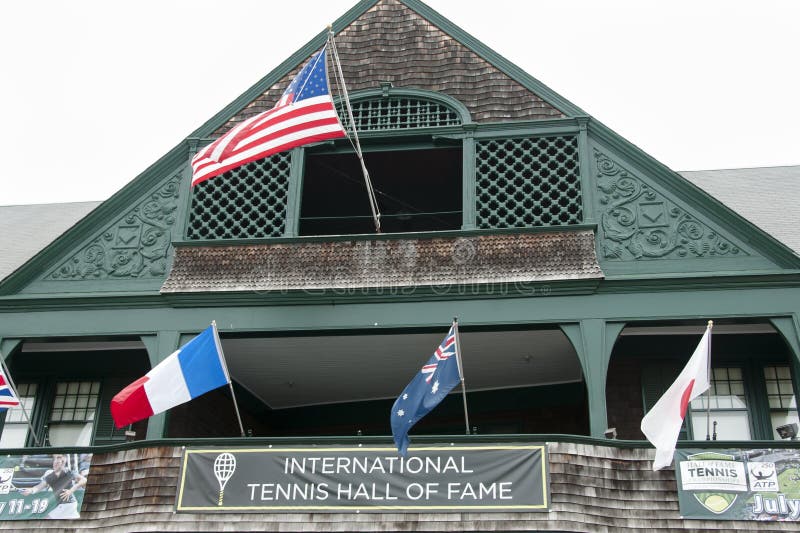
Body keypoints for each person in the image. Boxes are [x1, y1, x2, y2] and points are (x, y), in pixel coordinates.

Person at [19, 454, 87, 519]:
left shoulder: (68, 472)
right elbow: (39, 487)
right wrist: (30, 490)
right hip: (67, 505)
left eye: (58, 460)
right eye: (54, 460)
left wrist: (70, 491)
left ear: (63, 462)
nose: (55, 462)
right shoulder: (50, 476)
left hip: (67, 505)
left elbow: (84, 480)